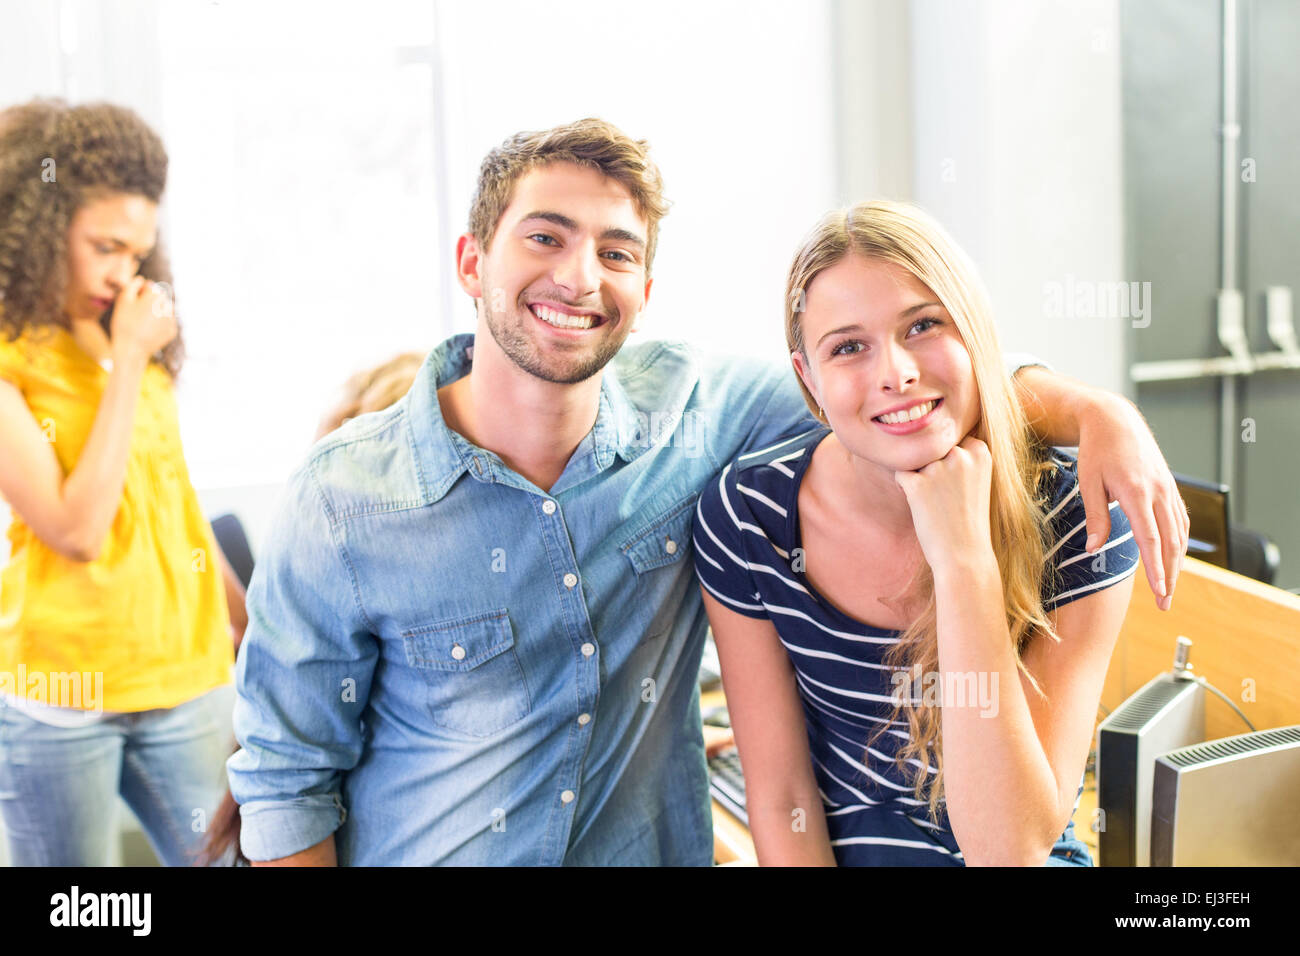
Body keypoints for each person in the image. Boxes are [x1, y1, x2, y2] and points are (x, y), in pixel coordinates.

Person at [227, 118, 1188, 866]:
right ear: (473, 262)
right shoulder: (344, 499)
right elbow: (284, 786)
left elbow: (908, 386)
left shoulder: (699, 410)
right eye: (545, 237)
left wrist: (1096, 411)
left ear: (645, 285)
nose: (579, 275)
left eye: (616, 250)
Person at [691, 200, 1164, 865]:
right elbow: (780, 795)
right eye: (848, 346)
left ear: (977, 337)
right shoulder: (750, 515)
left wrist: (963, 560)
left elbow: (1010, 850)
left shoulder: (1076, 514)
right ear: (809, 380)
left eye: (923, 326)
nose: (896, 372)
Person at [0, 99, 245, 866]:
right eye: (104, 246)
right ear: (41, 231)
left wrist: (243, 615)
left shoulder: (124, 331)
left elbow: (165, 491)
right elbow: (75, 529)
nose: (123, 273)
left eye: (136, 252)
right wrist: (130, 360)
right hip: (62, 692)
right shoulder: (17, 359)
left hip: (185, 675)